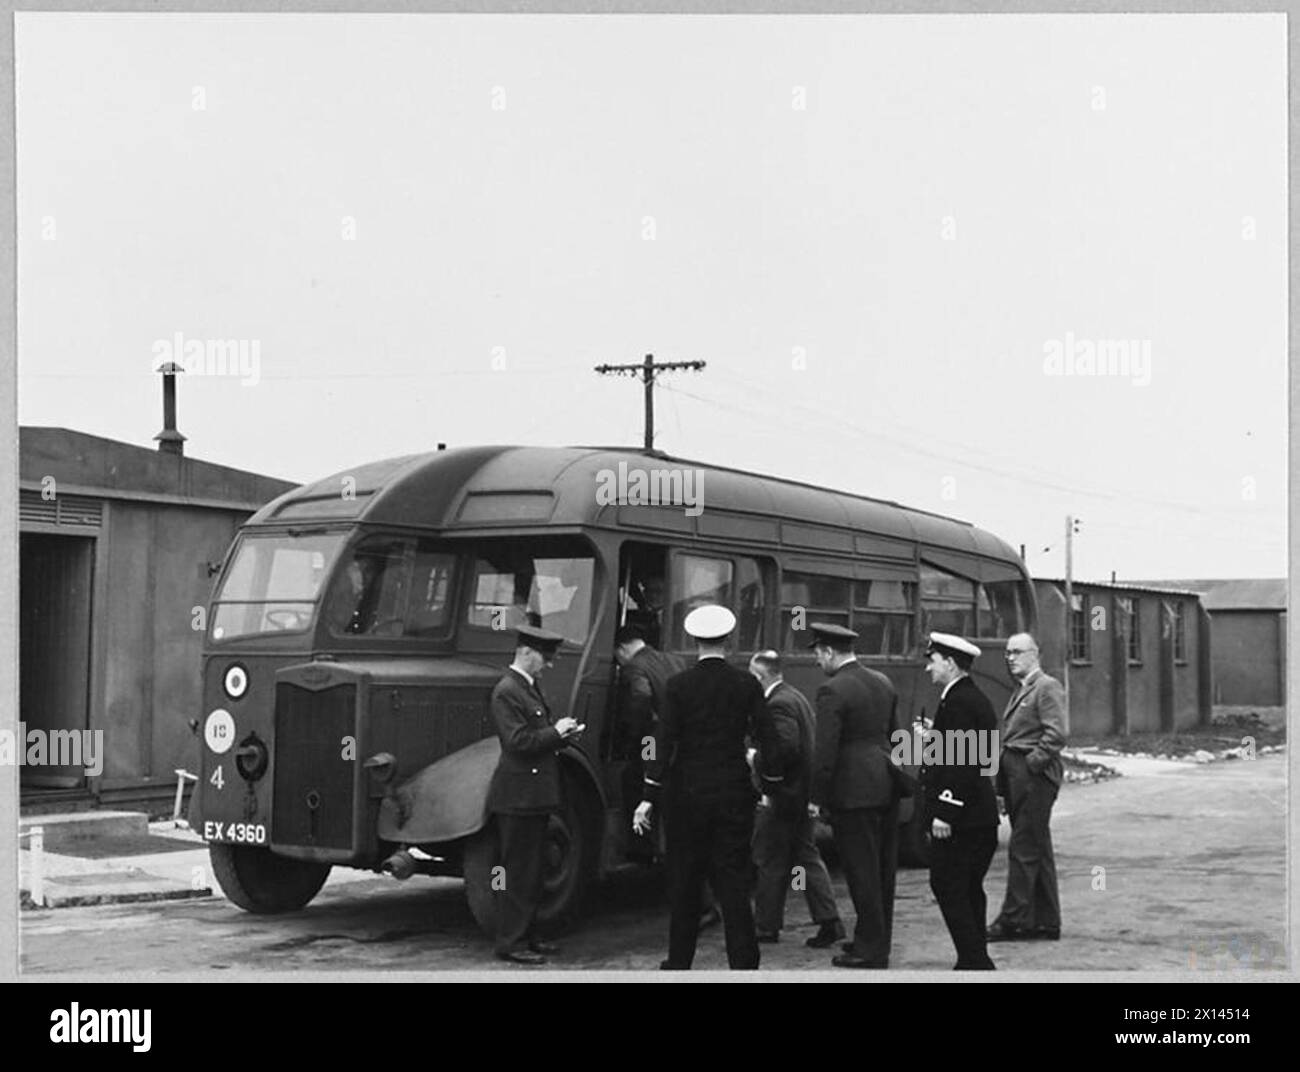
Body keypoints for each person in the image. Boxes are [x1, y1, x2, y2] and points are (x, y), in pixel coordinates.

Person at [633, 604, 779, 970]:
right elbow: (770, 740)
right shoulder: (746, 684)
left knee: (684, 882)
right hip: (732, 794)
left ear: (695, 641)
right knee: (733, 882)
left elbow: (662, 743)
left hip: (686, 796)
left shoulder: (678, 686)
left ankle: (679, 962)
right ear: (727, 641)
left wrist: (649, 796)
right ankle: (744, 963)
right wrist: (770, 785)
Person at [807, 622, 906, 969]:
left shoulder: (832, 690)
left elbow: (825, 751)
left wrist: (816, 797)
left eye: (819, 654)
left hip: (853, 792)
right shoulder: (882, 682)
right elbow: (897, 737)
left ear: (830, 652)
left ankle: (871, 952)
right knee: (882, 871)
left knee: (861, 871)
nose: (819, 662)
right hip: (885, 785)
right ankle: (874, 939)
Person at [485, 625, 585, 964]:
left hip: (535, 794)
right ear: (526, 653)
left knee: (534, 870)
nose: (548, 664)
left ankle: (529, 936)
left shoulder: (525, 687)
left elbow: (534, 736)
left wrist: (561, 734)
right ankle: (510, 942)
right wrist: (555, 733)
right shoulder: (507, 691)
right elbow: (518, 742)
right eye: (544, 657)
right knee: (517, 872)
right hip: (519, 795)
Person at [747, 650, 845, 948]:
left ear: (760, 677)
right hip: (801, 794)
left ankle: (766, 926)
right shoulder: (794, 696)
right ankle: (829, 922)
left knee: (769, 858)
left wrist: (755, 758)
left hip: (783, 795)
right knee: (806, 856)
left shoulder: (776, 704)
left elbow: (785, 748)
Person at [920, 632, 1000, 970]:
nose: (928, 668)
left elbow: (964, 764)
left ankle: (975, 961)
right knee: (968, 889)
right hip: (979, 818)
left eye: (933, 661)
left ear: (950, 663)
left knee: (949, 885)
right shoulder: (966, 698)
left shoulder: (960, 703)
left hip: (963, 820)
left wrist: (945, 813)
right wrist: (934, 736)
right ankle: (972, 958)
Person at [988, 632, 1067, 942]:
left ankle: (1012, 919)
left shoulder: (1046, 686)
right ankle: (1047, 921)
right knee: (1037, 847)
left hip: (1033, 776)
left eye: (1017, 652)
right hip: (1018, 775)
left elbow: (1057, 734)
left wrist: (1031, 764)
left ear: (1035, 654)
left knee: (1023, 849)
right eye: (1007, 652)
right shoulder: (1022, 689)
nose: (1010, 658)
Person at [612, 623, 684, 860]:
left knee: (637, 782)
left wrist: (634, 737)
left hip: (649, 742)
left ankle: (643, 849)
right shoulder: (673, 661)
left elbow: (641, 699)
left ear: (622, 650)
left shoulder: (633, 667)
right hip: (678, 743)